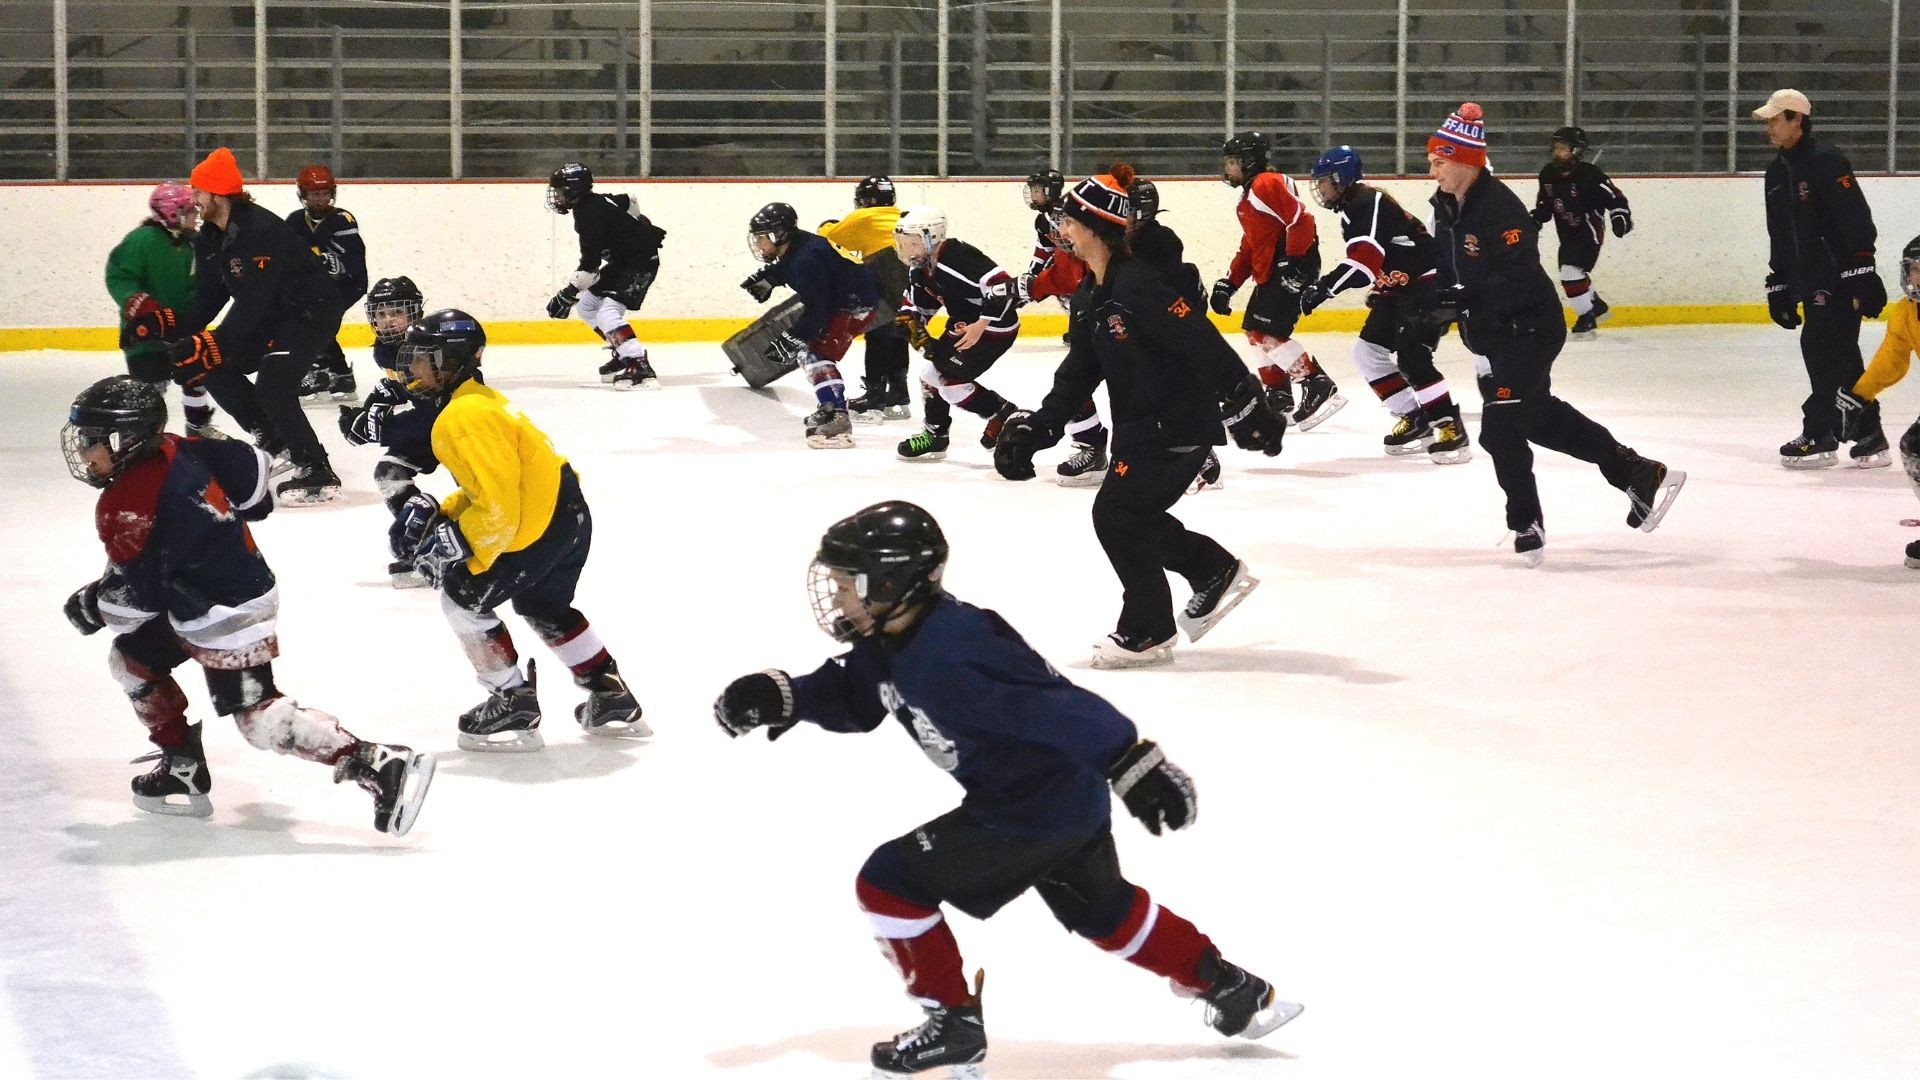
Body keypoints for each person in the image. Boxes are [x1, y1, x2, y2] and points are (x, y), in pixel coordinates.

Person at [712, 501, 1303, 1079]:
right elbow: (856, 695)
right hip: (1062, 799)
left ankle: (952, 1023)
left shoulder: (956, 649)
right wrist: (786, 696)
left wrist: (1130, 761)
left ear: (890, 582)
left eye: (848, 585)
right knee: (1105, 912)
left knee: (889, 883)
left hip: (1028, 812)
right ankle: (1231, 989)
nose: (838, 598)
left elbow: (1054, 705)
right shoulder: (893, 639)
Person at [60, 375, 434, 835]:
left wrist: (92, 606)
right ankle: (182, 767)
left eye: (94, 440)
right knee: (131, 660)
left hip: (226, 616)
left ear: (129, 438)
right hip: (213, 594)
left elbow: (138, 600)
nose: (85, 453)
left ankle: (377, 762)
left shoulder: (126, 505)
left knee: (260, 721)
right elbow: (255, 484)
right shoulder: (177, 447)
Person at [993, 171, 1285, 667]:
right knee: (1132, 516)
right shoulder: (1091, 291)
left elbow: (1202, 342)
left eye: (1069, 221)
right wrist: (1040, 426)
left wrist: (1248, 405)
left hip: (1175, 423)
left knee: (1118, 516)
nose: (1061, 229)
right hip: (1140, 424)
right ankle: (1211, 568)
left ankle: (1148, 629)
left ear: (1094, 228)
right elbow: (1080, 368)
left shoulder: (1141, 285)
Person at [1425, 103, 1684, 564]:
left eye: (1438, 162)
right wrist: (1428, 302)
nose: (1432, 171)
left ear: (1464, 160)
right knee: (1534, 417)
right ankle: (1635, 470)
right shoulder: (1444, 208)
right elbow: (1447, 269)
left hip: (1529, 328)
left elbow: (1519, 272)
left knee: (1500, 428)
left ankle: (1525, 522)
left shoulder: (1500, 207)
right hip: (1492, 335)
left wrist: (1467, 296)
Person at [391, 309, 651, 750]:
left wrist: (453, 544)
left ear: (450, 361)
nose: (413, 367)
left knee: (462, 598)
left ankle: (511, 698)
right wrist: (447, 512)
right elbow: (497, 485)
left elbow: (498, 509)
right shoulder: (480, 401)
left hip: (537, 527)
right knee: (543, 605)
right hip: (567, 514)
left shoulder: (463, 416)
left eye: (423, 357)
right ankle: (610, 693)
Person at [124, 146, 344, 503]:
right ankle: (276, 441)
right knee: (207, 364)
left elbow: (256, 298)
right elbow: (210, 296)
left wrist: (216, 341)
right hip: (271, 316)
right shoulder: (211, 236)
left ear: (218, 193)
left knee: (273, 385)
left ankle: (315, 466)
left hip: (309, 315)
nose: (193, 200)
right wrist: (166, 324)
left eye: (198, 192)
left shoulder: (261, 230)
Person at [1298, 145, 1471, 463]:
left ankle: (1449, 426)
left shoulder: (1366, 202)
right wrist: (1383, 282)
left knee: (1412, 355)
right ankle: (1414, 417)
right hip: (1404, 288)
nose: (1319, 188)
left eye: (1323, 180)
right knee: (1367, 352)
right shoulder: (1354, 208)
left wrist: (1324, 288)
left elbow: (1363, 261)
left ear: (1341, 178)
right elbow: (1382, 256)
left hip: (1431, 283)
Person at [1755, 89, 1890, 469]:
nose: (1769, 127)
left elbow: (1854, 215)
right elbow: (1780, 233)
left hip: (1838, 276)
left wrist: (1862, 270)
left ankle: (1821, 432)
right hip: (1808, 277)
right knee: (1838, 355)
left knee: (1824, 349)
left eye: (1775, 119)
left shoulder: (1826, 160)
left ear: (1797, 119)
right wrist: (1780, 282)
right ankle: (1867, 435)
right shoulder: (1776, 172)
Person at [890, 205, 1053, 467]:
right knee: (929, 376)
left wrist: (981, 323)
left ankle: (1001, 412)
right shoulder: (920, 269)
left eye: (913, 243)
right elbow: (918, 309)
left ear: (932, 237)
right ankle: (935, 436)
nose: (907, 250)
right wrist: (914, 328)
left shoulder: (959, 257)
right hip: (963, 326)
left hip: (995, 328)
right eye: (903, 243)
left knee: (951, 385)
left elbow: (1003, 286)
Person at [1210, 131, 1345, 430]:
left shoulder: (1265, 184)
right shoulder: (1249, 196)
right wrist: (1230, 283)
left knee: (1265, 332)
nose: (1227, 167)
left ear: (1248, 161)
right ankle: (1278, 395)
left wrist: (1296, 262)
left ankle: (1317, 383)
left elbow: (1301, 220)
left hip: (1290, 265)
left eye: (1232, 161)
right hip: (1277, 268)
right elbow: (1251, 245)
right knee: (1254, 331)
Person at [741, 202, 878, 449]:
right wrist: (772, 277)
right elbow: (791, 264)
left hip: (853, 305)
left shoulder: (805, 260)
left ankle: (837, 415)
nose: (759, 244)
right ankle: (829, 408)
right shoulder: (799, 243)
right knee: (810, 353)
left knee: (815, 355)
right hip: (845, 298)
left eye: (763, 238)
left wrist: (793, 337)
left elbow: (818, 310)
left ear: (779, 234)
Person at [337, 276, 442, 587]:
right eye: (381, 314)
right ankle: (428, 542)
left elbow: (434, 412)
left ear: (415, 312)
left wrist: (382, 429)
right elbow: (405, 388)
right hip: (438, 422)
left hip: (460, 425)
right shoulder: (386, 351)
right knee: (390, 473)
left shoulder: (428, 346)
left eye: (396, 312)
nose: (388, 321)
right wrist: (371, 409)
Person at [105, 181, 225, 438]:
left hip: (181, 327)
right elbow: (119, 275)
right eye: (190, 211)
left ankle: (198, 427)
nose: (195, 215)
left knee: (195, 376)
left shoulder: (193, 243)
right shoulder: (142, 240)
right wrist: (135, 301)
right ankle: (139, 435)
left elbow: (198, 284)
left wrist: (194, 316)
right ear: (173, 213)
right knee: (149, 389)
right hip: (146, 333)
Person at [1127, 175, 1224, 491]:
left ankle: (1199, 455)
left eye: (1127, 208)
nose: (1122, 215)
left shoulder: (1161, 240)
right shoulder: (1129, 240)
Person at [545, 162, 667, 390]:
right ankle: (622, 350)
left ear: (574, 189)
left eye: (560, 191)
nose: (557, 196)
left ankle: (638, 363)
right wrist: (637, 228)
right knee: (587, 306)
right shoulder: (596, 202)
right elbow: (629, 200)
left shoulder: (589, 215)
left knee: (607, 314)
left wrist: (568, 293)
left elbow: (590, 266)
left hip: (640, 264)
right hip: (624, 262)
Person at [1837, 235, 1920, 565]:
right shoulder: (1906, 314)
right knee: (1915, 447)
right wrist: (1860, 394)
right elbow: (1892, 360)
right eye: (1916, 269)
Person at [819, 175, 913, 424]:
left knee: (878, 335)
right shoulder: (903, 216)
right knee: (898, 334)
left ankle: (874, 396)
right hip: (909, 282)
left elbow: (829, 238)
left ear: (867, 200)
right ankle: (898, 394)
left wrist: (826, 225)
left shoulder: (863, 217)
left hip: (884, 278)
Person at [1531, 127, 1633, 340]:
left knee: (1569, 272)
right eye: (1555, 148)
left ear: (1576, 151)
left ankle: (1586, 318)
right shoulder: (1548, 174)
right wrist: (1535, 219)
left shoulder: (1590, 175)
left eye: (1563, 148)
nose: (1557, 153)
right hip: (1566, 235)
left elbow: (1615, 198)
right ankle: (1596, 305)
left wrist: (1620, 216)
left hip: (1590, 234)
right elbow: (1545, 206)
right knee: (1573, 271)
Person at [285, 164, 367, 400]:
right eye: (314, 194)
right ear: (303, 195)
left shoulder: (343, 220)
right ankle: (341, 376)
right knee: (315, 319)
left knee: (316, 318)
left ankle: (320, 372)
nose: (320, 199)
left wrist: (330, 262)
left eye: (324, 193)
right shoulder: (294, 220)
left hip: (348, 284)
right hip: (316, 287)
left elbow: (351, 261)